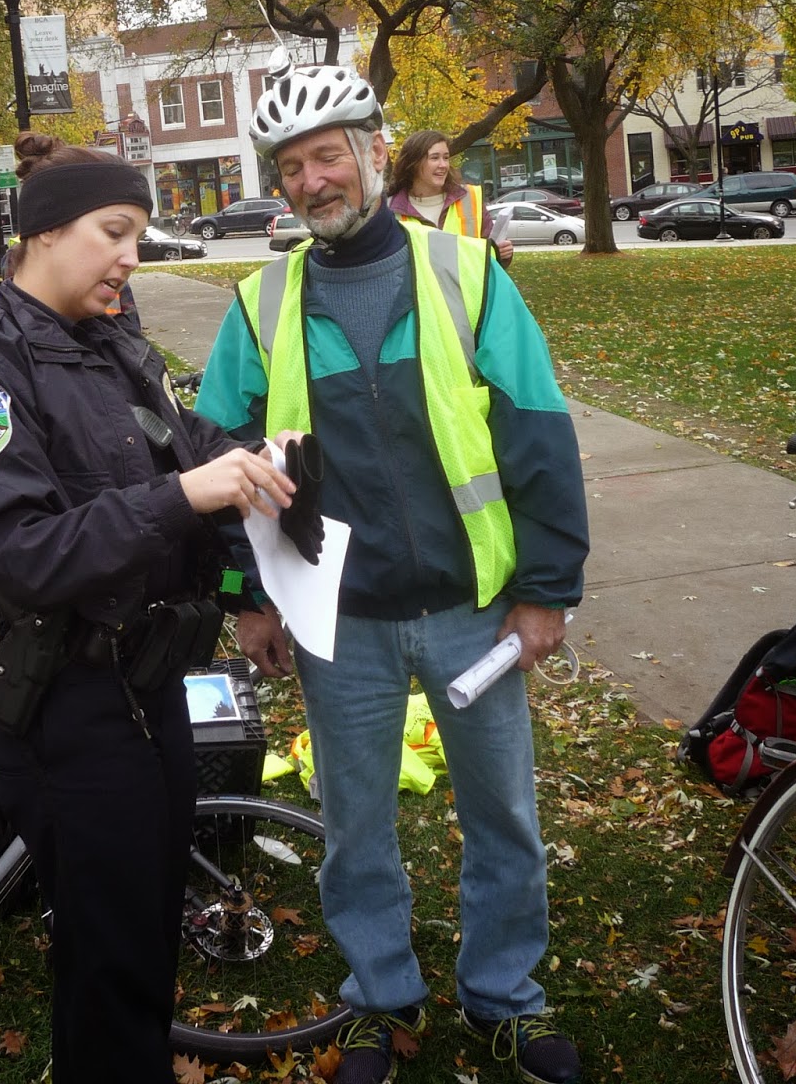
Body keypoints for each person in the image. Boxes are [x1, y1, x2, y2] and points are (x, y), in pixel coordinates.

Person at [196, 60, 590, 1084]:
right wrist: (247, 601)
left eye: (329, 155)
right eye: (291, 167)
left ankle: (504, 994)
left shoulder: (466, 273)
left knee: (503, 813)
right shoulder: (258, 303)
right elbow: (225, 463)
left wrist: (546, 588)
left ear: (375, 153)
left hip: (473, 609)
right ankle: (379, 996)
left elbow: (539, 434)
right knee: (355, 827)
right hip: (344, 623)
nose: (313, 180)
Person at [0, 131, 297, 1084]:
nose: (133, 256)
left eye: (137, 234)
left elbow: (193, 449)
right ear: (44, 232)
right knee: (111, 953)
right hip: (67, 712)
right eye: (115, 231)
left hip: (151, 690)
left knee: (141, 926)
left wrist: (260, 501)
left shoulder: (113, 348)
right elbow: (21, 555)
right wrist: (187, 495)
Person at [387, 129, 514, 266]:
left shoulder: (470, 198)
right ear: (413, 163)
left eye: (446, 158)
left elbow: (489, 257)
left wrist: (501, 254)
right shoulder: (390, 209)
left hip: (469, 288)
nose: (443, 165)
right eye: (434, 158)